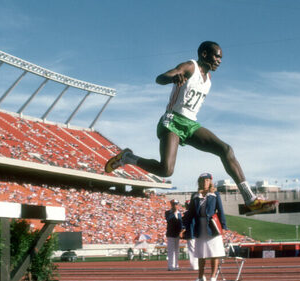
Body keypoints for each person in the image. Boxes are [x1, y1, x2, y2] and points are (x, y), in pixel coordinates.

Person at [105, 41, 277, 215]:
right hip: (172, 121)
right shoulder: (190, 66)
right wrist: (172, 77)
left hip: (191, 124)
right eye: (216, 56)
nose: (219, 60)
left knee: (226, 150)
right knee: (166, 170)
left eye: (221, 57)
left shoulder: (208, 79)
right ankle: (128, 157)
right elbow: (160, 78)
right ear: (204, 54)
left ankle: (250, 200)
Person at [183, 172, 227, 281]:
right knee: (201, 253)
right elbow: (191, 212)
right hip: (199, 225)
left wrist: (224, 226)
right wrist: (183, 227)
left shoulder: (215, 194)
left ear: (210, 182)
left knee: (214, 253)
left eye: (207, 180)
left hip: (212, 225)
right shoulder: (195, 195)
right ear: (199, 182)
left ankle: (213, 277)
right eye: (202, 180)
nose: (205, 182)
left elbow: (221, 211)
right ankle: (201, 277)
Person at [164, 199, 182, 271]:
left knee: (176, 250)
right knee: (171, 250)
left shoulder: (179, 213)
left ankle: (176, 265)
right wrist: (173, 212)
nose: (175, 205)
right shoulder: (168, 212)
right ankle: (171, 266)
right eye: (174, 204)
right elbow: (169, 219)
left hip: (177, 233)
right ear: (171, 205)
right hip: (171, 233)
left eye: (176, 204)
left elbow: (180, 223)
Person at [180, 199, 198, 271]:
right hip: (196, 233)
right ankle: (196, 265)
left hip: (191, 233)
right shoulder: (196, 213)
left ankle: (194, 265)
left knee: (192, 250)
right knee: (196, 250)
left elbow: (184, 224)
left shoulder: (187, 214)